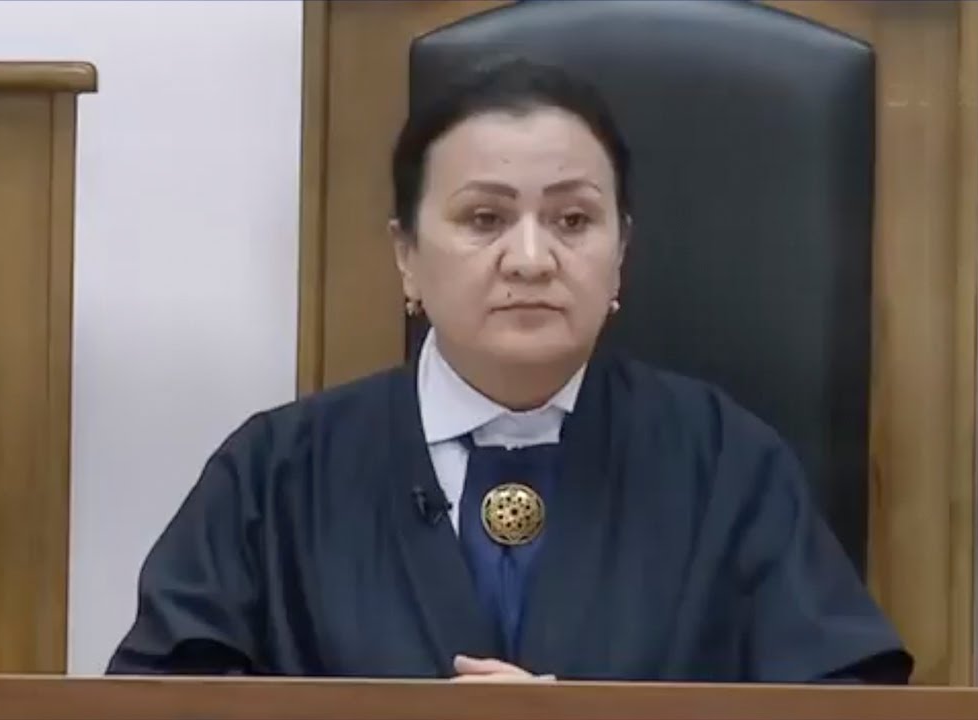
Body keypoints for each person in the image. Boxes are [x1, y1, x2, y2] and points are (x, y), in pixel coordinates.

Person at [106, 58, 913, 684]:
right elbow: (161, 699)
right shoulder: (276, 474)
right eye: (485, 218)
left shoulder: (727, 466)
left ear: (621, 253)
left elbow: (846, 698)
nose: (531, 259)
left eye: (573, 220)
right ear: (406, 255)